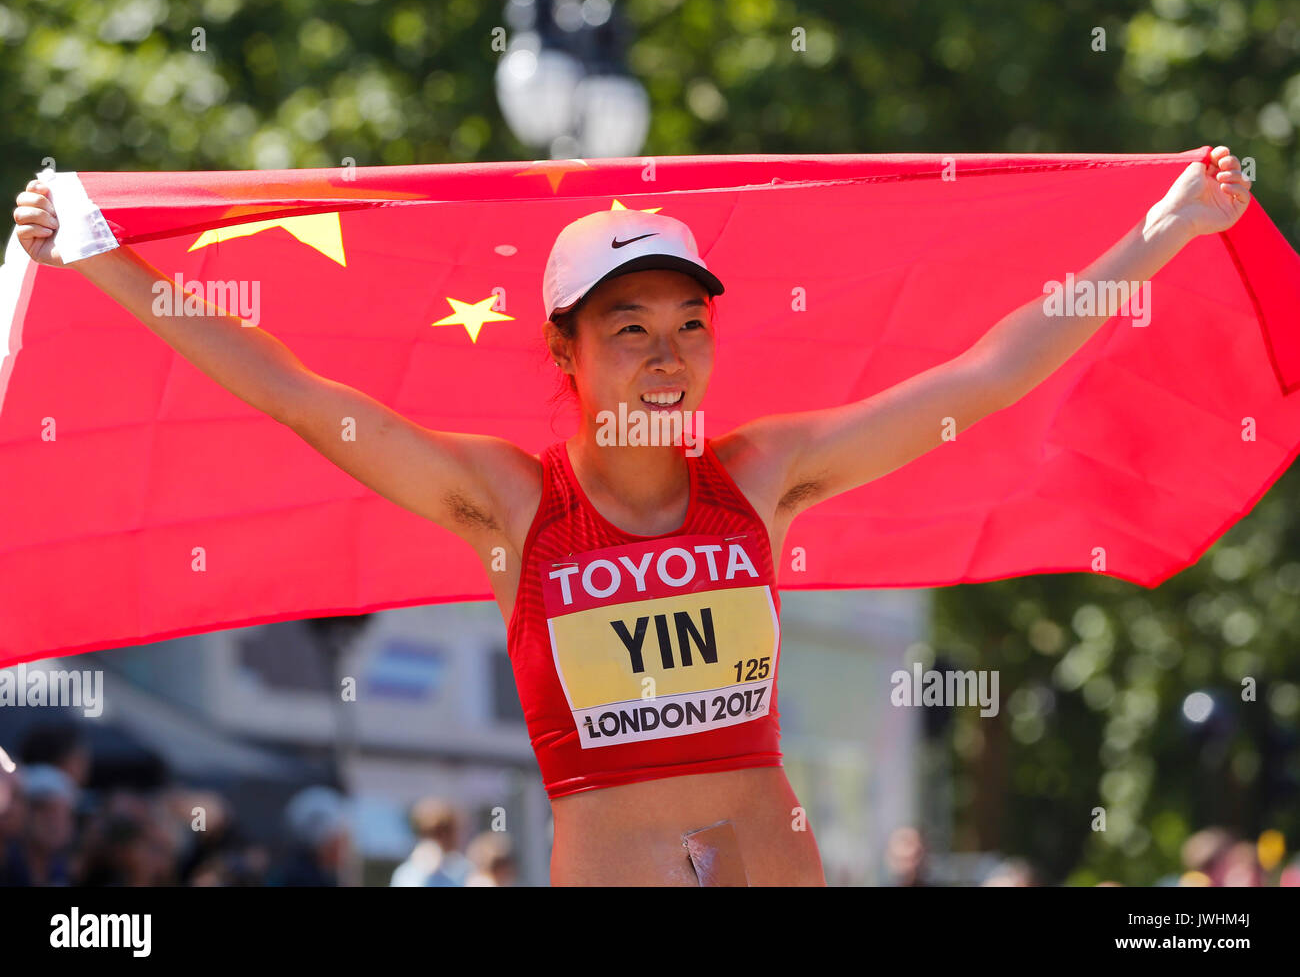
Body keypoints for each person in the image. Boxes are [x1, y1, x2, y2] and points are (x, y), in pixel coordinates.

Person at [11, 148, 1253, 885]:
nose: (667, 356)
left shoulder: (760, 474)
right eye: (629, 328)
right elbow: (291, 394)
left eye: (689, 326)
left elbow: (979, 381)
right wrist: (103, 257)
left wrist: (1156, 236)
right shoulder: (510, 502)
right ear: (566, 349)